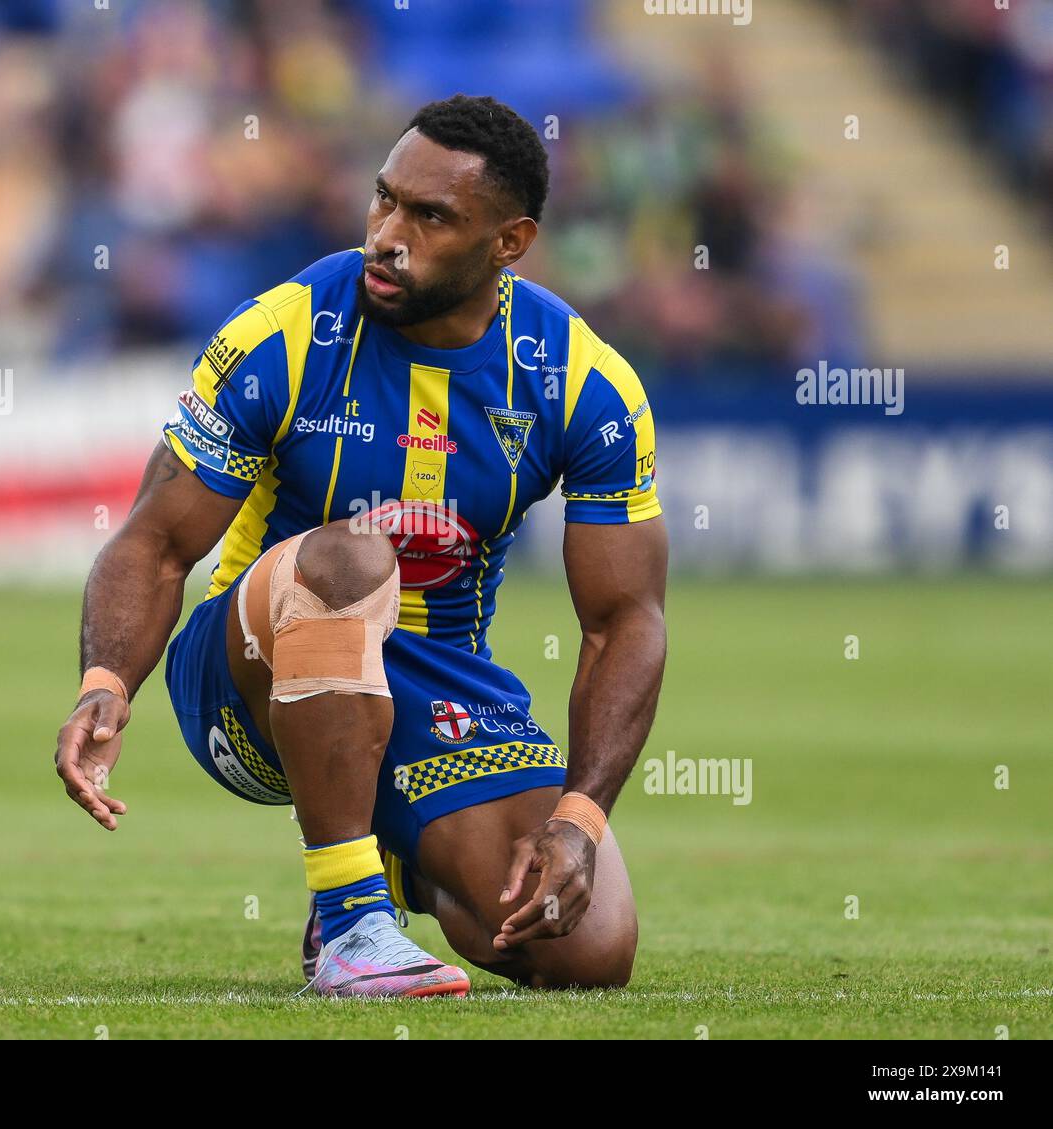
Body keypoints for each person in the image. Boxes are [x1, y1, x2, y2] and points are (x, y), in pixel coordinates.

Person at [55, 94, 668, 997]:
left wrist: (580, 815)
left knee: (587, 950)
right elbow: (155, 544)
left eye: (430, 216)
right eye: (384, 199)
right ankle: (348, 925)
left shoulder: (580, 379)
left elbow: (627, 620)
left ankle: (390, 860)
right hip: (246, 673)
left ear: (510, 242)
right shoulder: (286, 331)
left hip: (433, 677)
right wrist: (104, 685)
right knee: (351, 557)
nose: (387, 233)